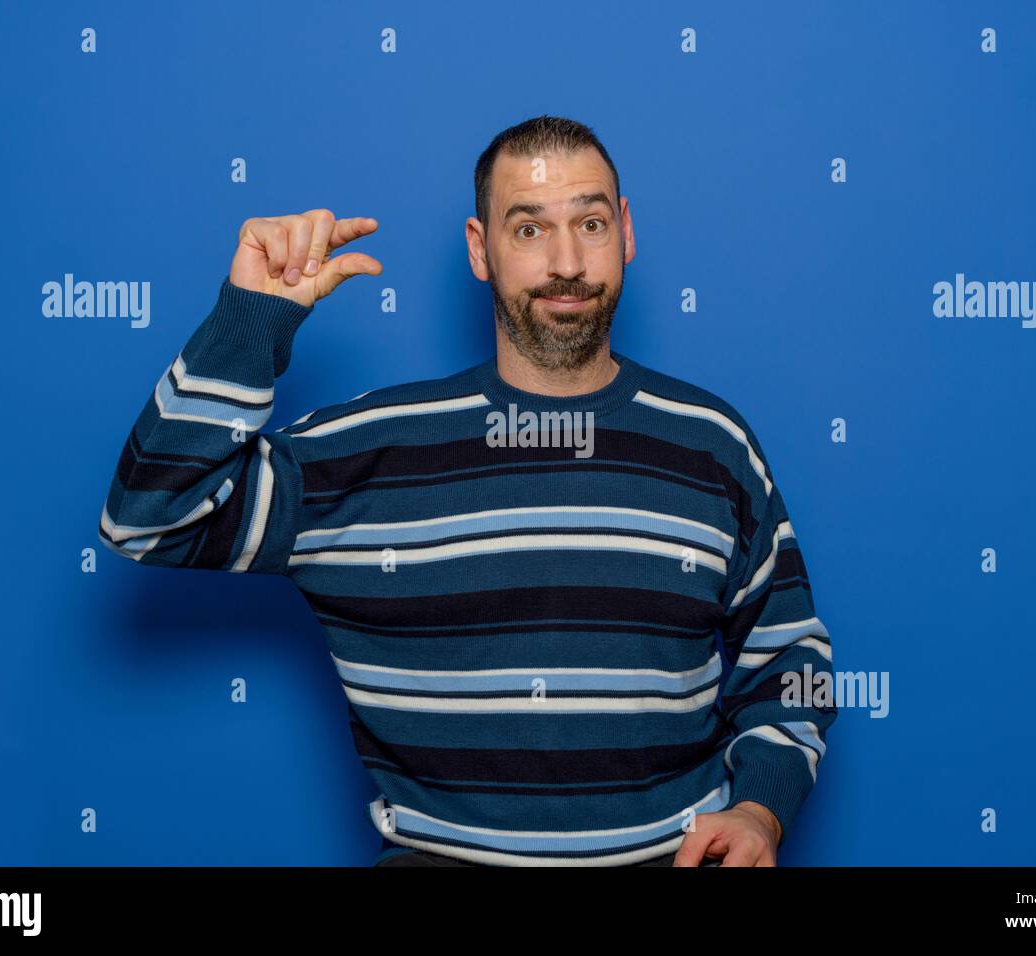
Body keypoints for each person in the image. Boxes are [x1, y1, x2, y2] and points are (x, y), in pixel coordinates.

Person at [98, 114, 836, 867]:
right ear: (481, 251)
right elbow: (148, 520)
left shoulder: (712, 442)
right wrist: (251, 317)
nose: (567, 262)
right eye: (528, 230)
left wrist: (759, 810)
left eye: (591, 221)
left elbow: (795, 664)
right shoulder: (370, 451)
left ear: (628, 234)